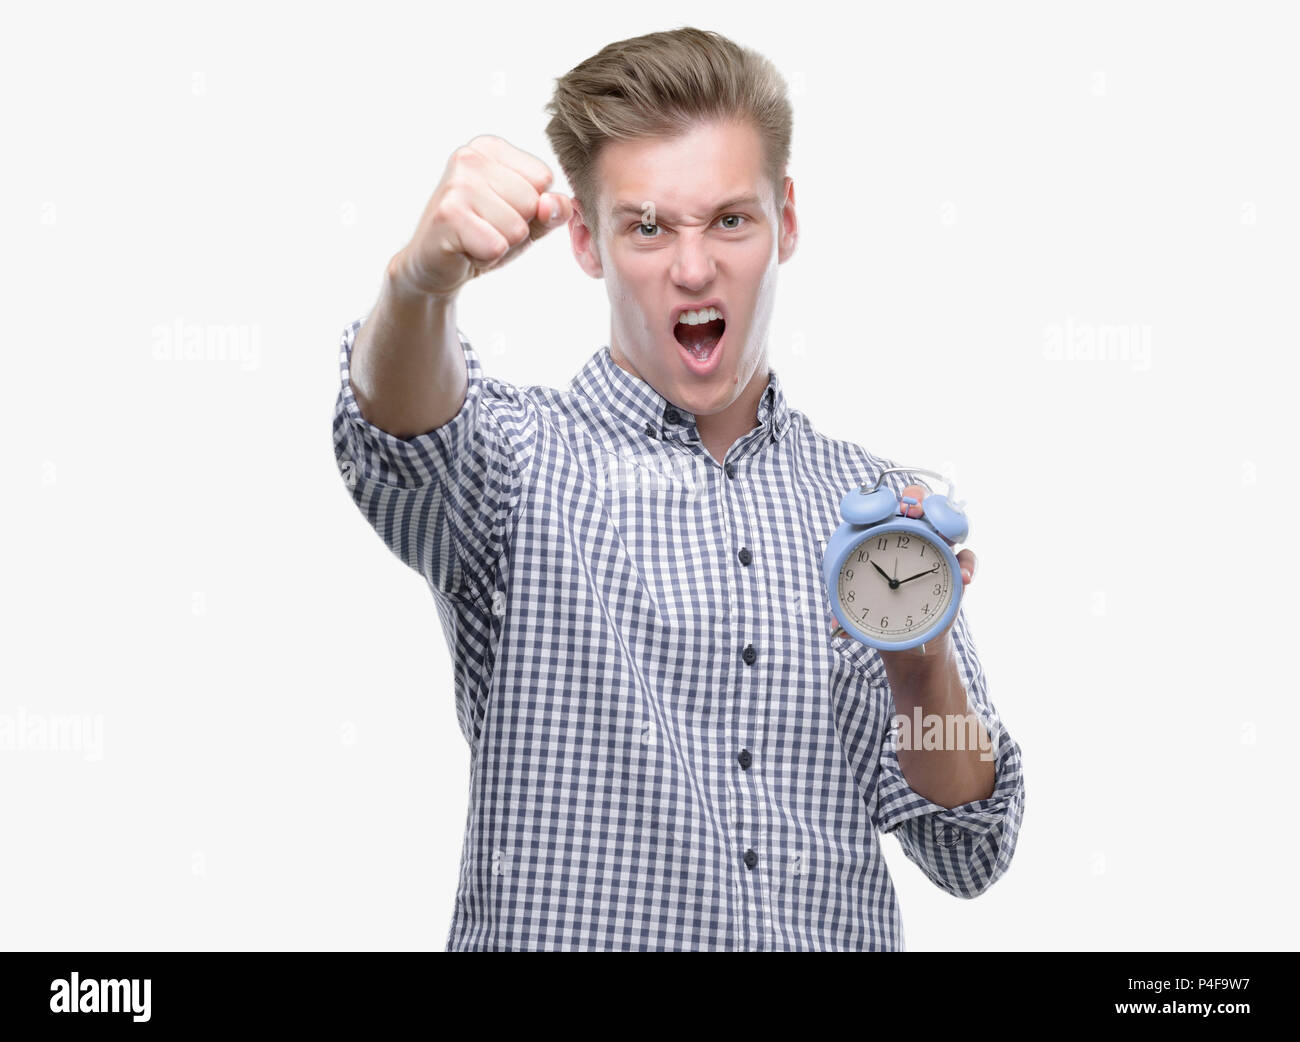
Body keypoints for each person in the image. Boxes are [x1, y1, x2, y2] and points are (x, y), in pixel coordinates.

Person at [332, 26, 1024, 951]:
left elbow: (966, 847)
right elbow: (398, 430)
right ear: (586, 237)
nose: (693, 268)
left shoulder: (873, 514)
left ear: (786, 219)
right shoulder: (516, 465)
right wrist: (419, 287)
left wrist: (921, 666)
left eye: (730, 220)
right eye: (648, 226)